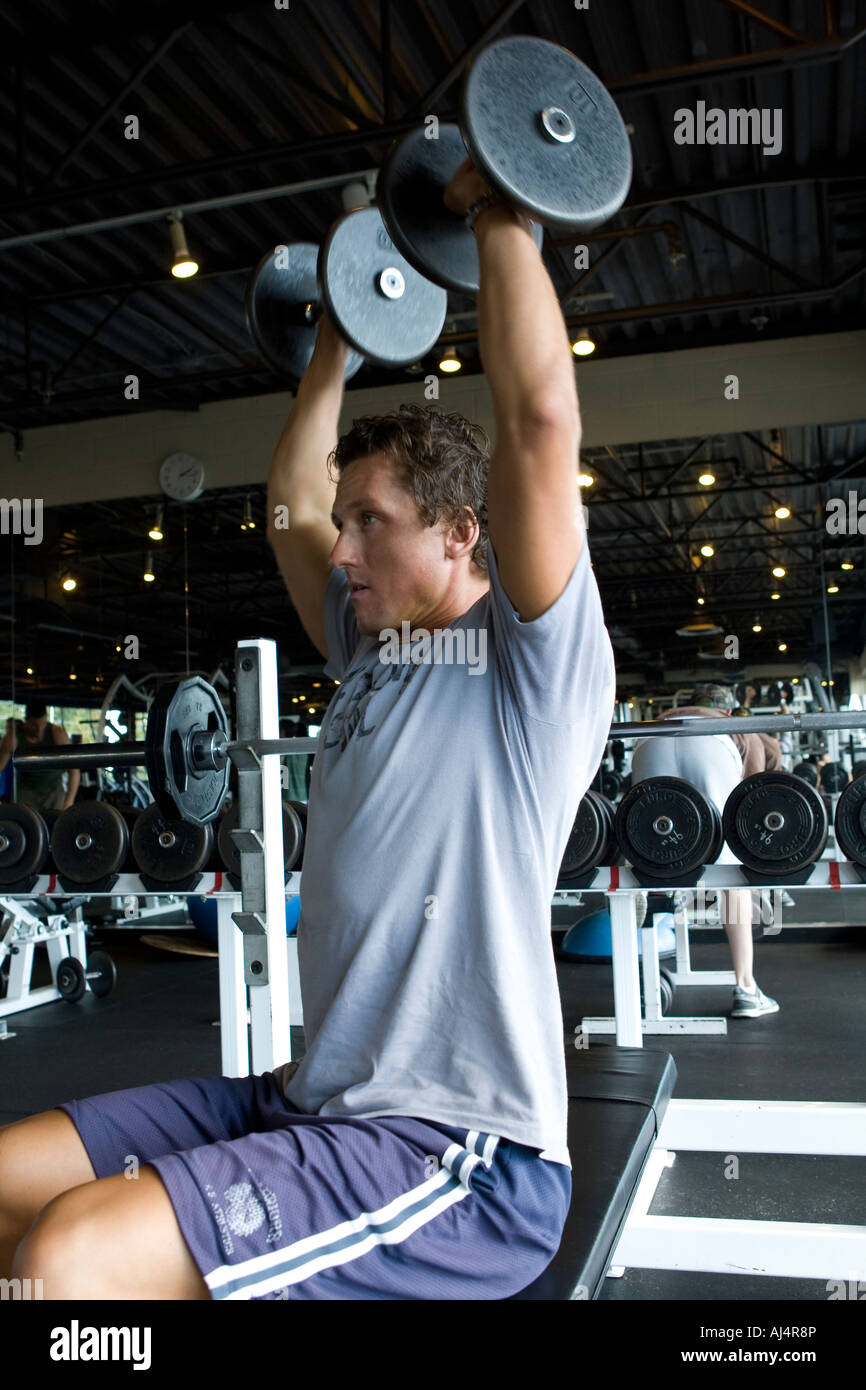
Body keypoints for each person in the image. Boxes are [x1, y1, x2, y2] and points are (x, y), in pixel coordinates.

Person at [2, 160, 615, 1300]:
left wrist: (496, 211)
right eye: (345, 528)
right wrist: (333, 343)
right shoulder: (374, 653)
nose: (337, 554)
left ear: (460, 535)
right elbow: (288, 498)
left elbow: (536, 415)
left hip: (456, 1152)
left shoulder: (527, 666)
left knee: (69, 1259)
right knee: (9, 1185)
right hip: (304, 1095)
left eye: (369, 524)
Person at [630, 682, 779, 1019]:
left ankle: (642, 985)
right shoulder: (735, 724)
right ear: (727, 710)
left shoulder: (665, 714)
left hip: (649, 740)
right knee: (732, 874)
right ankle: (746, 989)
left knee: (651, 846)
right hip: (711, 743)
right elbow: (753, 791)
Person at [0, 701, 80, 812]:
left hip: (53, 791)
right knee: (26, 824)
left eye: (43, 724)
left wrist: (69, 802)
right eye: (34, 725)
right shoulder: (13, 738)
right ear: (26, 721)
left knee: (56, 825)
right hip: (26, 792)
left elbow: (74, 770)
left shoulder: (57, 733)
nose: (39, 730)